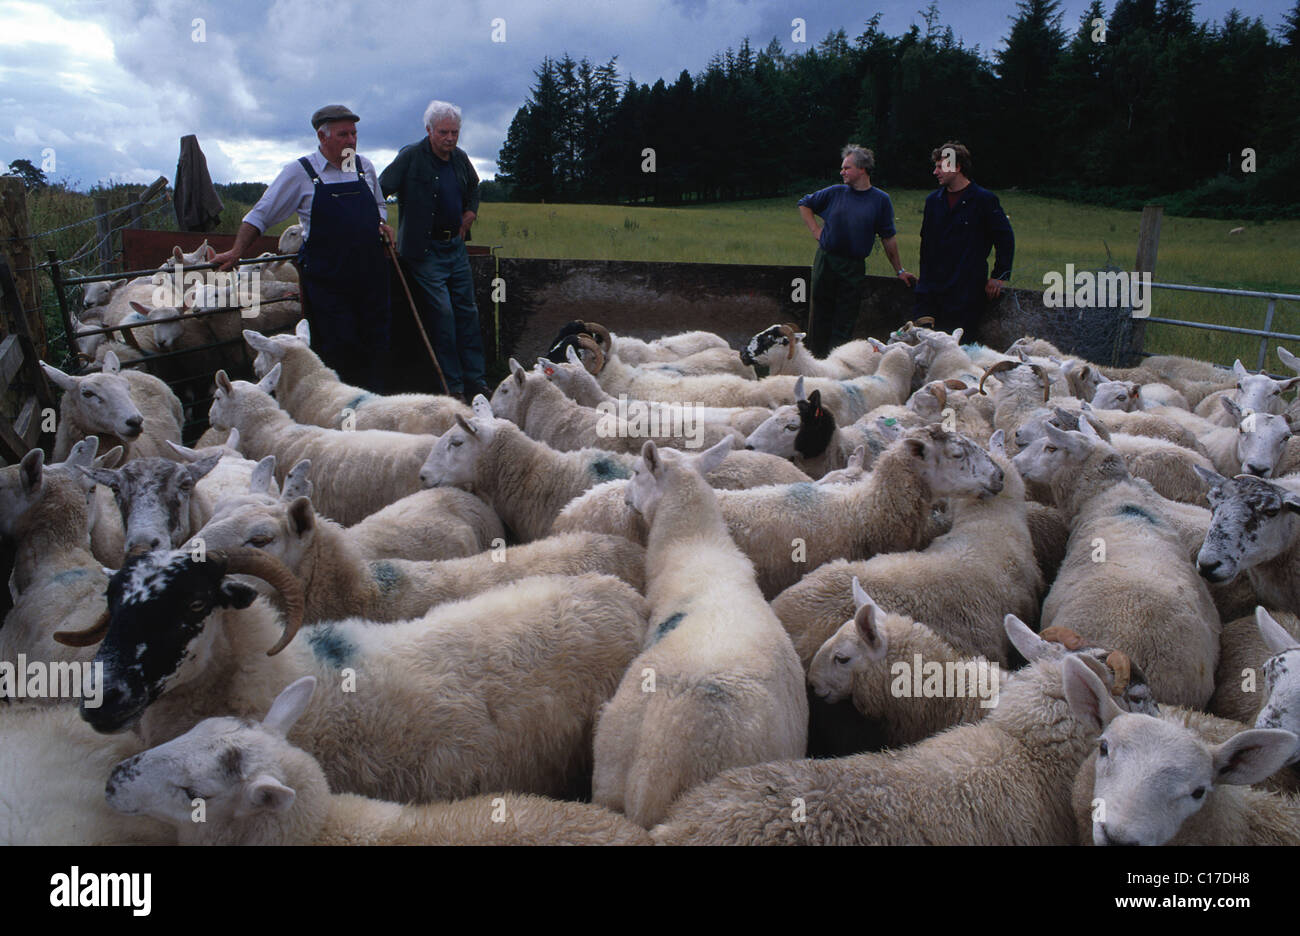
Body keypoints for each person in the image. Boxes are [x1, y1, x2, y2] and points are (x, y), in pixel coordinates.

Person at [212, 105, 394, 392]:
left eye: (354, 133)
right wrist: (236, 251)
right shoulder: (301, 173)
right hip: (329, 284)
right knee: (338, 349)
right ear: (322, 137)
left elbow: (379, 206)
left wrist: (381, 224)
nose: (351, 140)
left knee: (377, 345)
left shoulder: (365, 168)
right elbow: (262, 214)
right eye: (343, 134)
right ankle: (338, 416)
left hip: (371, 278)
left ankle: (374, 413)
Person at [379, 100, 487, 402]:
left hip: (455, 247)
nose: (450, 139)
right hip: (424, 252)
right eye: (443, 132)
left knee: (468, 314)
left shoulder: (460, 159)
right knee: (443, 315)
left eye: (454, 132)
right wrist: (378, 220)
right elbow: (379, 189)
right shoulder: (411, 157)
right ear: (429, 130)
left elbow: (474, 188)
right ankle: (453, 389)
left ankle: (477, 382)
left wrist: (470, 214)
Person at [797, 145, 910, 358]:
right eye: (842, 168)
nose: (842, 172)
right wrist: (816, 230)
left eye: (847, 167)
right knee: (820, 315)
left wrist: (899, 270)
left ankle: (837, 364)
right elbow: (804, 203)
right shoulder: (834, 193)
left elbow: (888, 238)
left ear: (862, 169)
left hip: (853, 265)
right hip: (826, 261)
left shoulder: (880, 200)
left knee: (845, 318)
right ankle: (815, 362)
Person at [909, 141, 1014, 342]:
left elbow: (1005, 238)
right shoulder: (933, 201)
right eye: (935, 166)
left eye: (940, 167)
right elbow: (926, 245)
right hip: (932, 289)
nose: (935, 172)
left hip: (966, 290)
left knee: (959, 349)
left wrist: (999, 275)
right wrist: (923, 284)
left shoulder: (984, 200)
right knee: (924, 346)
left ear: (957, 167)